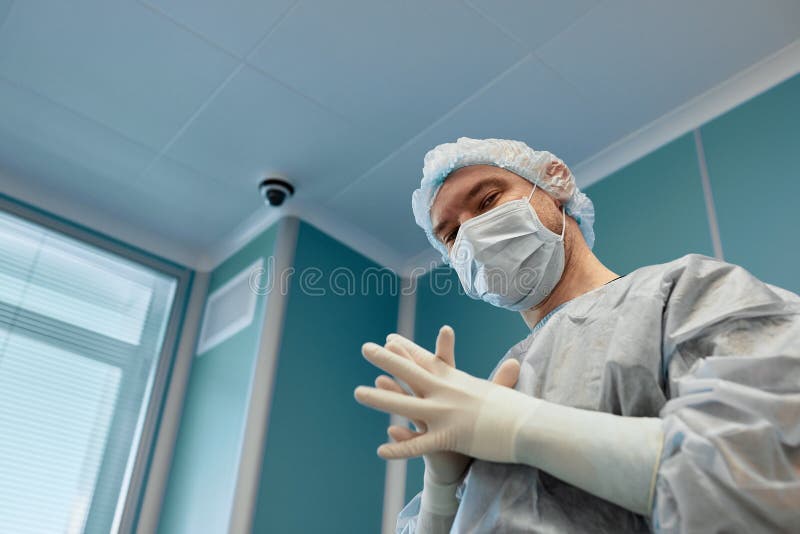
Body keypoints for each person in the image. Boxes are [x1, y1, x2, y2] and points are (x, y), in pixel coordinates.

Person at [353, 137, 800, 533]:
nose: (470, 233)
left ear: (555, 185)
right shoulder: (496, 387)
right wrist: (440, 493)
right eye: (450, 235)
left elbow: (762, 477)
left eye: (488, 200)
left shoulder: (685, 296)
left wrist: (522, 428)